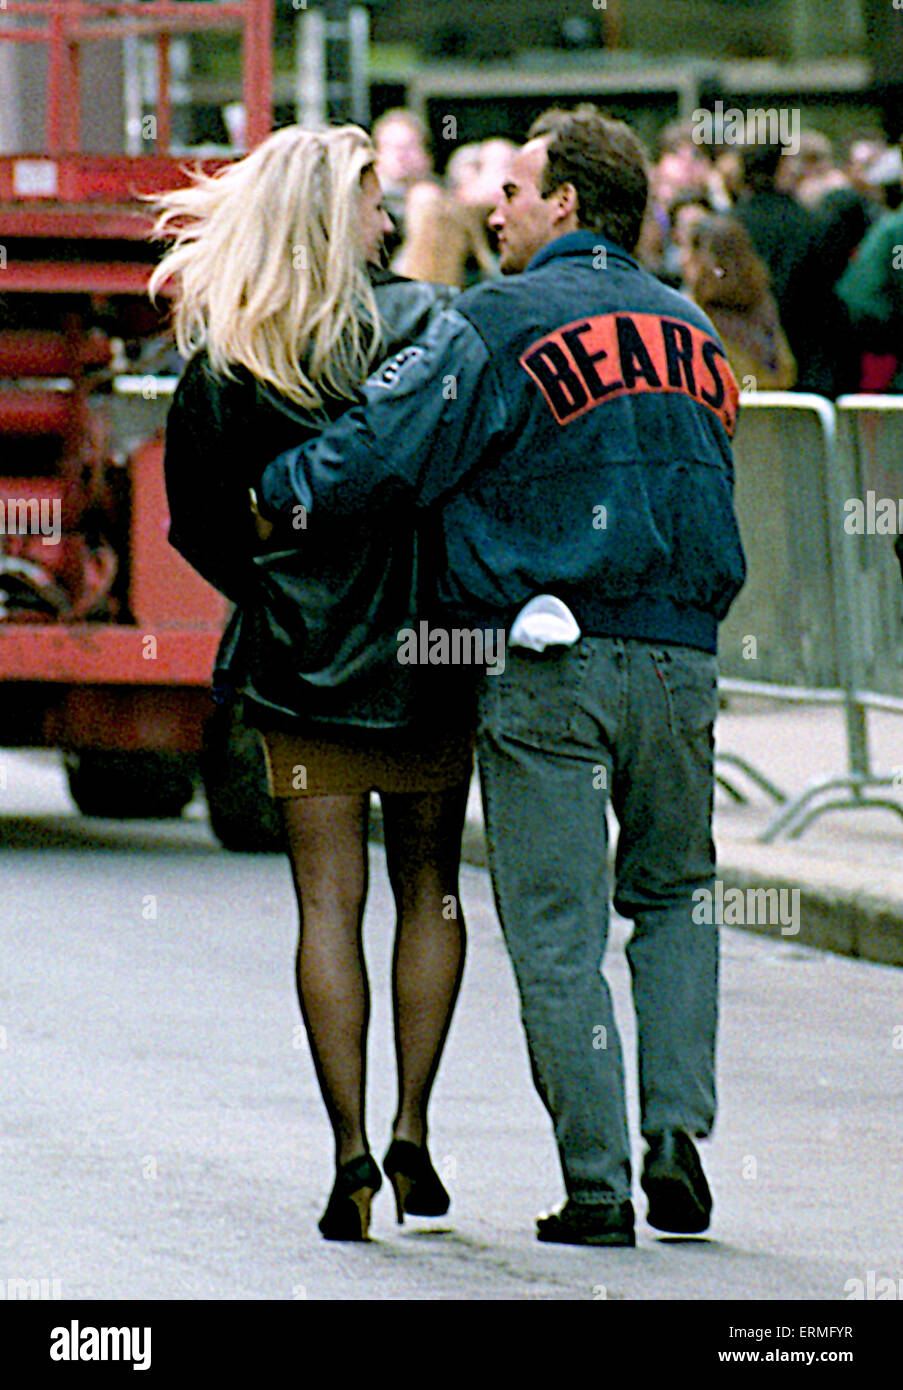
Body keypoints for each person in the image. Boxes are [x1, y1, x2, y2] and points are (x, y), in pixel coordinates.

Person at [258, 107, 747, 1246]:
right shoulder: (690, 330)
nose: (495, 207)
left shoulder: (497, 317)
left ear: (566, 203)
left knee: (557, 927)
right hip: (682, 658)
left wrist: (281, 491)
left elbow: (383, 442)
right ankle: (678, 1134)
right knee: (675, 897)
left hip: (547, 659)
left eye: (516, 191)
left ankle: (599, 1184)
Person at [150, 124, 474, 1242]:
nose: (391, 219)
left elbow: (195, 524)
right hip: (429, 654)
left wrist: (277, 581)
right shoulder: (429, 324)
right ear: (343, 215)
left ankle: (346, 1155)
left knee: (324, 907)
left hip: (298, 664)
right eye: (377, 200)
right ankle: (414, 1125)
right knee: (431, 888)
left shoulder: (228, 361)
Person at [684, 214, 796, 390]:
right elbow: (786, 372)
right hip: (771, 410)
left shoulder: (692, 315)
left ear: (704, 261)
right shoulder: (764, 306)